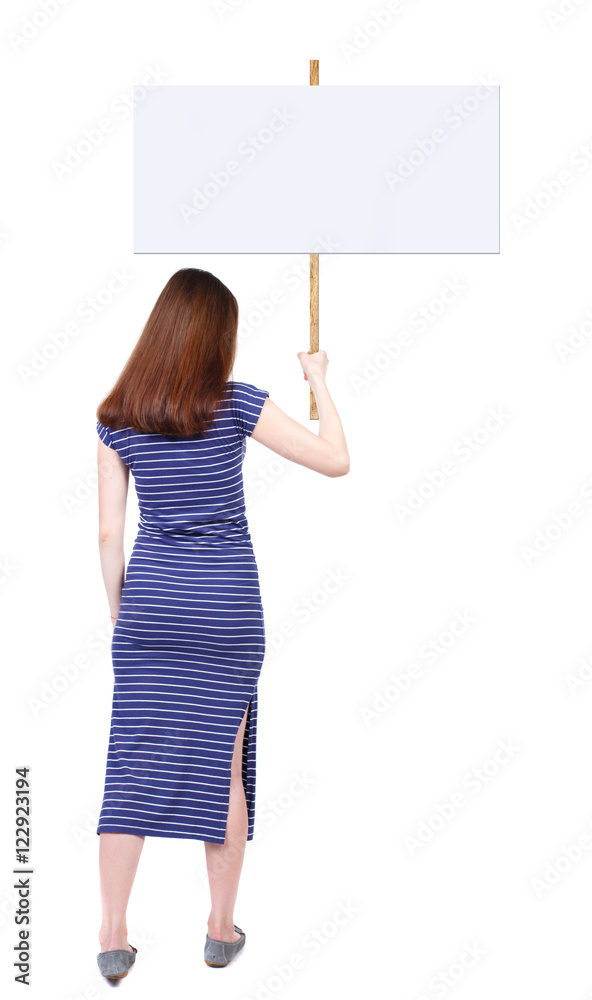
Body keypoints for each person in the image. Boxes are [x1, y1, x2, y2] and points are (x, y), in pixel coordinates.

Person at [95, 267, 349, 978]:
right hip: (226, 607)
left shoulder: (116, 416)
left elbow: (108, 537)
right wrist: (318, 376)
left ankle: (113, 938)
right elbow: (336, 459)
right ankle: (218, 928)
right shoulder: (234, 403)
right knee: (224, 767)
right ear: (218, 339)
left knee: (131, 767)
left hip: (151, 605)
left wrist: (128, 616)